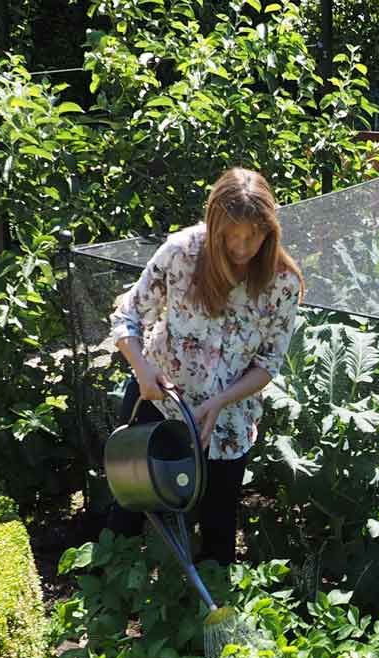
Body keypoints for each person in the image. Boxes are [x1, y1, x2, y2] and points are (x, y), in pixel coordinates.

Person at [106, 167, 303, 565]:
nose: (242, 245)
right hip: (158, 403)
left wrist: (219, 402)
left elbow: (269, 362)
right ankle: (110, 599)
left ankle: (207, 613)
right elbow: (128, 315)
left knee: (217, 529)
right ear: (214, 223)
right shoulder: (182, 253)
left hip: (225, 420)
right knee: (131, 508)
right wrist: (143, 370)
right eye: (231, 233)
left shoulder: (282, 282)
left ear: (270, 229)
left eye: (254, 234)